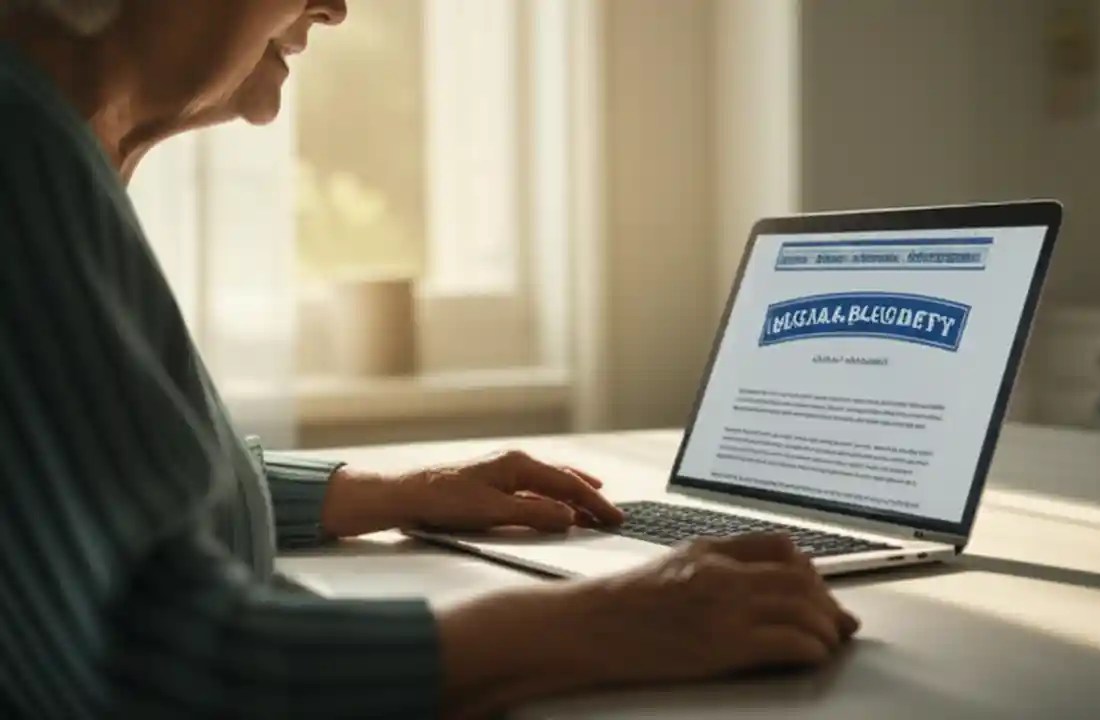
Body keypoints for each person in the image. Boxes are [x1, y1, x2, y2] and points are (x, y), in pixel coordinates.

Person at [0, 1, 859, 717]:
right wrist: (617, 621)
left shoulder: (53, 151)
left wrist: (395, 493)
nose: (335, 5)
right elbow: (150, 667)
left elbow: (98, 494)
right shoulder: (19, 152)